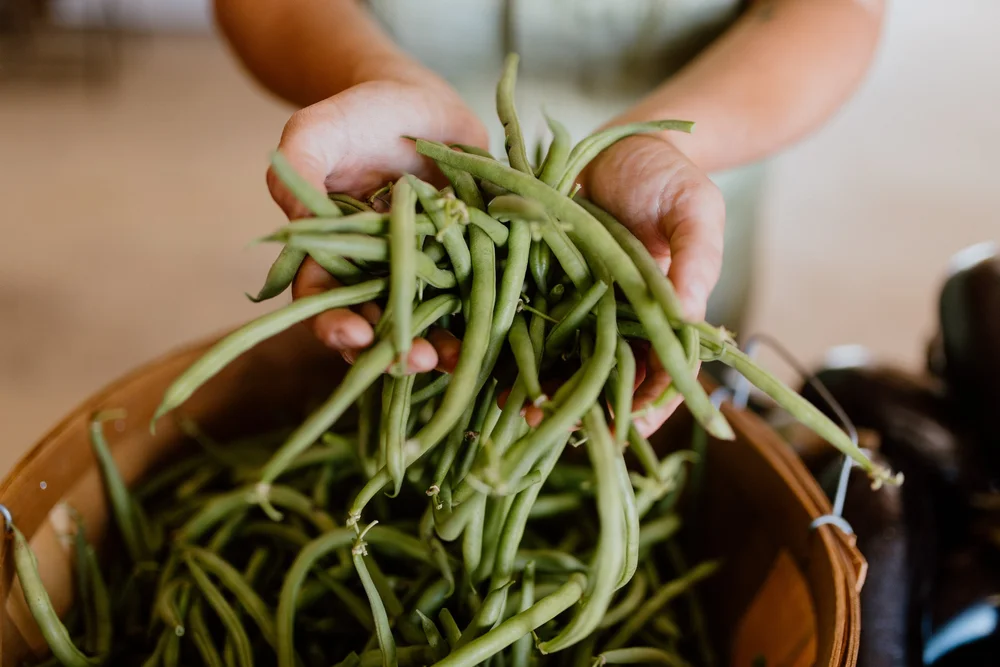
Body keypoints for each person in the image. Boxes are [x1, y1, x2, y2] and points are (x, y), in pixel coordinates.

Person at [213, 0, 885, 434]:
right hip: (393, 205)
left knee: (652, 396)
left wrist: (669, 141)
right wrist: (370, 72)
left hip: (644, 237)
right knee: (375, 406)